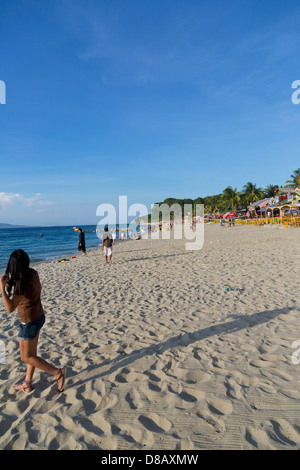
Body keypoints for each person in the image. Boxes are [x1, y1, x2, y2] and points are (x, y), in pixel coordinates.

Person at [0, 249, 66, 394]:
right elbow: (38, 288)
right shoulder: (32, 273)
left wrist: (2, 289)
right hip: (39, 316)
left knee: (26, 357)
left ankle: (57, 372)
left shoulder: (20, 286)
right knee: (32, 354)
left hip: (29, 322)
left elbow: (10, 308)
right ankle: (27, 383)